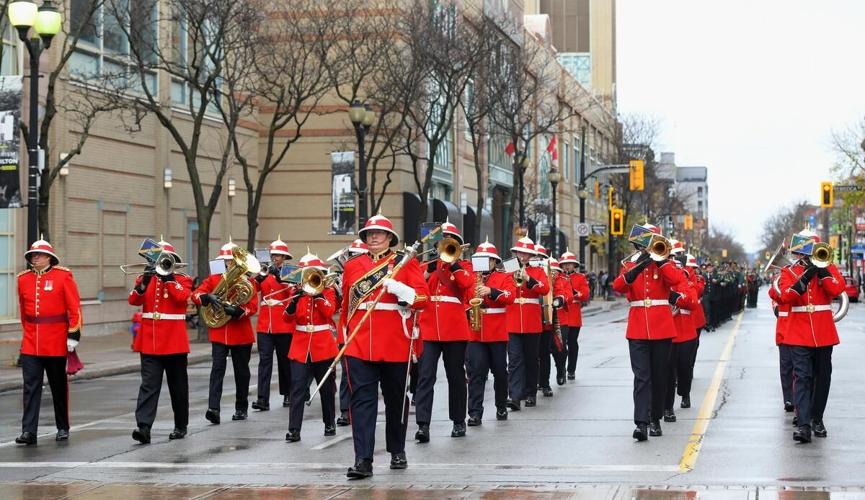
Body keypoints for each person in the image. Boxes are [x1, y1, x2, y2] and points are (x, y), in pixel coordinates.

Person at [340, 214, 429, 478]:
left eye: (379, 233)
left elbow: (422, 298)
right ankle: (363, 460)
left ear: (390, 237)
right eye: (369, 233)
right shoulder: (353, 266)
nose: (374, 237)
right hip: (360, 342)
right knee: (362, 402)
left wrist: (402, 290)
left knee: (395, 400)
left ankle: (397, 450)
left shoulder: (404, 263)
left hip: (395, 342)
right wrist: (343, 338)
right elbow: (346, 305)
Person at [612, 224, 685, 441]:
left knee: (659, 376)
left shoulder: (665, 262)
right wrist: (636, 268)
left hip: (661, 327)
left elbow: (677, 281)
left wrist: (660, 260)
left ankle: (655, 418)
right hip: (637, 328)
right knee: (641, 377)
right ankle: (641, 424)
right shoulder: (630, 263)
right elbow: (618, 286)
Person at [777, 230, 844, 443]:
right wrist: (805, 277)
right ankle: (804, 425)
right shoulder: (790, 272)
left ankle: (817, 418)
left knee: (823, 378)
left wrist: (822, 272)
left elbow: (837, 288)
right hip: (798, 333)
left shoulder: (828, 268)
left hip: (823, 332)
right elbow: (786, 296)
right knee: (803, 377)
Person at [15, 239, 82, 445]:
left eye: (38, 255)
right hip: (31, 343)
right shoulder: (23, 279)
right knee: (30, 387)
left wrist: (73, 335)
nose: (34, 258)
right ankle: (29, 431)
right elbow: (24, 313)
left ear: (49, 258)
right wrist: (26, 337)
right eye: (32, 255)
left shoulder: (63, 276)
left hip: (55, 342)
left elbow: (74, 309)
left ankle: (62, 427)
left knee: (58, 387)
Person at [128, 239, 193, 443]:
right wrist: (144, 283)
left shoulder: (182, 279)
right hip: (149, 341)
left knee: (178, 386)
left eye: (164, 259)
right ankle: (144, 427)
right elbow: (134, 300)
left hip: (174, 342)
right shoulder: (145, 278)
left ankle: (180, 425)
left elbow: (182, 298)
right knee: (148, 385)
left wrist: (169, 277)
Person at [415, 220, 473, 442]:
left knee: (456, 376)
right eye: (442, 243)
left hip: (454, 329)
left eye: (449, 244)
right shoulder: (427, 266)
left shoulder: (464, 267)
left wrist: (454, 264)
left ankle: (459, 421)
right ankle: (423, 425)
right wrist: (429, 270)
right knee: (425, 376)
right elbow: (416, 287)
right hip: (430, 327)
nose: (445, 247)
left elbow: (467, 284)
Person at [192, 241, 259, 424]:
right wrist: (207, 297)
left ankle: (241, 407)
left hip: (241, 333)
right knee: (217, 370)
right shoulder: (214, 279)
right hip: (220, 332)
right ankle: (214, 408)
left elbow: (253, 306)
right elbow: (196, 294)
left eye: (232, 260)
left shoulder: (249, 281)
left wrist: (239, 311)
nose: (230, 264)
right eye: (227, 261)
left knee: (241, 372)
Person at [283, 252, 339, 442]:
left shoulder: (328, 291)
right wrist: (295, 300)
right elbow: (286, 318)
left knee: (326, 388)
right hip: (300, 346)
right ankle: (294, 429)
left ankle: (329, 423)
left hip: (322, 345)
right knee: (297, 388)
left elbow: (329, 311)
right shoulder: (296, 293)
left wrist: (319, 294)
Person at [465, 239, 515, 425]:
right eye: (480, 259)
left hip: (496, 331)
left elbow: (510, 297)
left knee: (500, 372)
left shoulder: (504, 277)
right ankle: (475, 413)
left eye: (488, 259)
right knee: (476, 373)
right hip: (475, 332)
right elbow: (463, 299)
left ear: (494, 262)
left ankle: (501, 405)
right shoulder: (470, 277)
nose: (484, 263)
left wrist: (491, 291)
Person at [505, 236, 550, 411]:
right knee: (515, 360)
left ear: (530, 255)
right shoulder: (509, 268)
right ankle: (515, 396)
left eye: (525, 253)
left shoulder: (537, 271)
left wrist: (528, 278)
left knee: (531, 359)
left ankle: (530, 393)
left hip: (531, 320)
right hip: (513, 320)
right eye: (520, 252)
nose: (522, 256)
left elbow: (544, 289)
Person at [253, 237, 294, 411]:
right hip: (265, 324)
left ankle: (288, 394)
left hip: (283, 324)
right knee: (265, 362)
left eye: (278, 255)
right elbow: (251, 291)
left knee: (285, 362)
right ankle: (262, 398)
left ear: (284, 258)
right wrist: (258, 279)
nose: (275, 258)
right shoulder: (264, 272)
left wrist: (280, 278)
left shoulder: (290, 272)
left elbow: (292, 293)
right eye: (273, 255)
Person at [663, 244, 699, 423]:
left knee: (685, 367)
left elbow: (692, 302)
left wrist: (676, 298)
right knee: (668, 371)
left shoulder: (684, 281)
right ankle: (667, 407)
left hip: (685, 332)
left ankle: (685, 394)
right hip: (668, 332)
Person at [336, 239, 369, 427]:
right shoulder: (346, 273)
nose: (351, 257)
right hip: (347, 332)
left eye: (356, 254)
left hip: (364, 332)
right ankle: (344, 411)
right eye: (351, 254)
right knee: (346, 374)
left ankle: (358, 409)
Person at [538, 256, 571, 396]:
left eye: (555, 271)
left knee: (559, 349)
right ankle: (541, 381)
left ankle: (561, 369)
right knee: (541, 351)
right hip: (542, 319)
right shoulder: (541, 278)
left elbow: (567, 295)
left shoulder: (563, 280)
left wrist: (559, 300)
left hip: (560, 319)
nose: (553, 274)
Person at [767, 262, 795, 415]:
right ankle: (788, 399)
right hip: (784, 330)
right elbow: (776, 305)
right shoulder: (778, 285)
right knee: (786, 368)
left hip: (798, 329)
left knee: (800, 370)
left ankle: (798, 398)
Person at [560, 250, 589, 382]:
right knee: (561, 345)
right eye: (565, 264)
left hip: (574, 315)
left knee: (572, 343)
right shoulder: (558, 277)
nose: (567, 266)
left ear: (574, 265)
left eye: (569, 264)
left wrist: (575, 294)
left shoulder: (580, 277)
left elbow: (586, 294)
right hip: (562, 314)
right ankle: (561, 369)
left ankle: (571, 369)